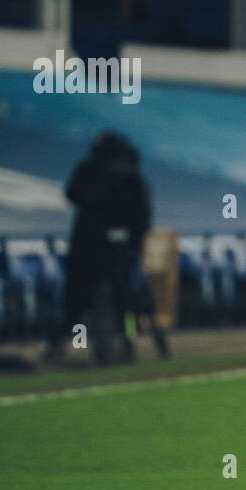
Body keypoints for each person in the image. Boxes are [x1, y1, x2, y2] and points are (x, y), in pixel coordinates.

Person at [45, 130, 152, 364]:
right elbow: (142, 219)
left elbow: (73, 194)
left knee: (87, 301)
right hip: (104, 252)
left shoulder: (105, 175)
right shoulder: (121, 176)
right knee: (104, 302)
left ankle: (119, 343)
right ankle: (122, 342)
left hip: (96, 251)